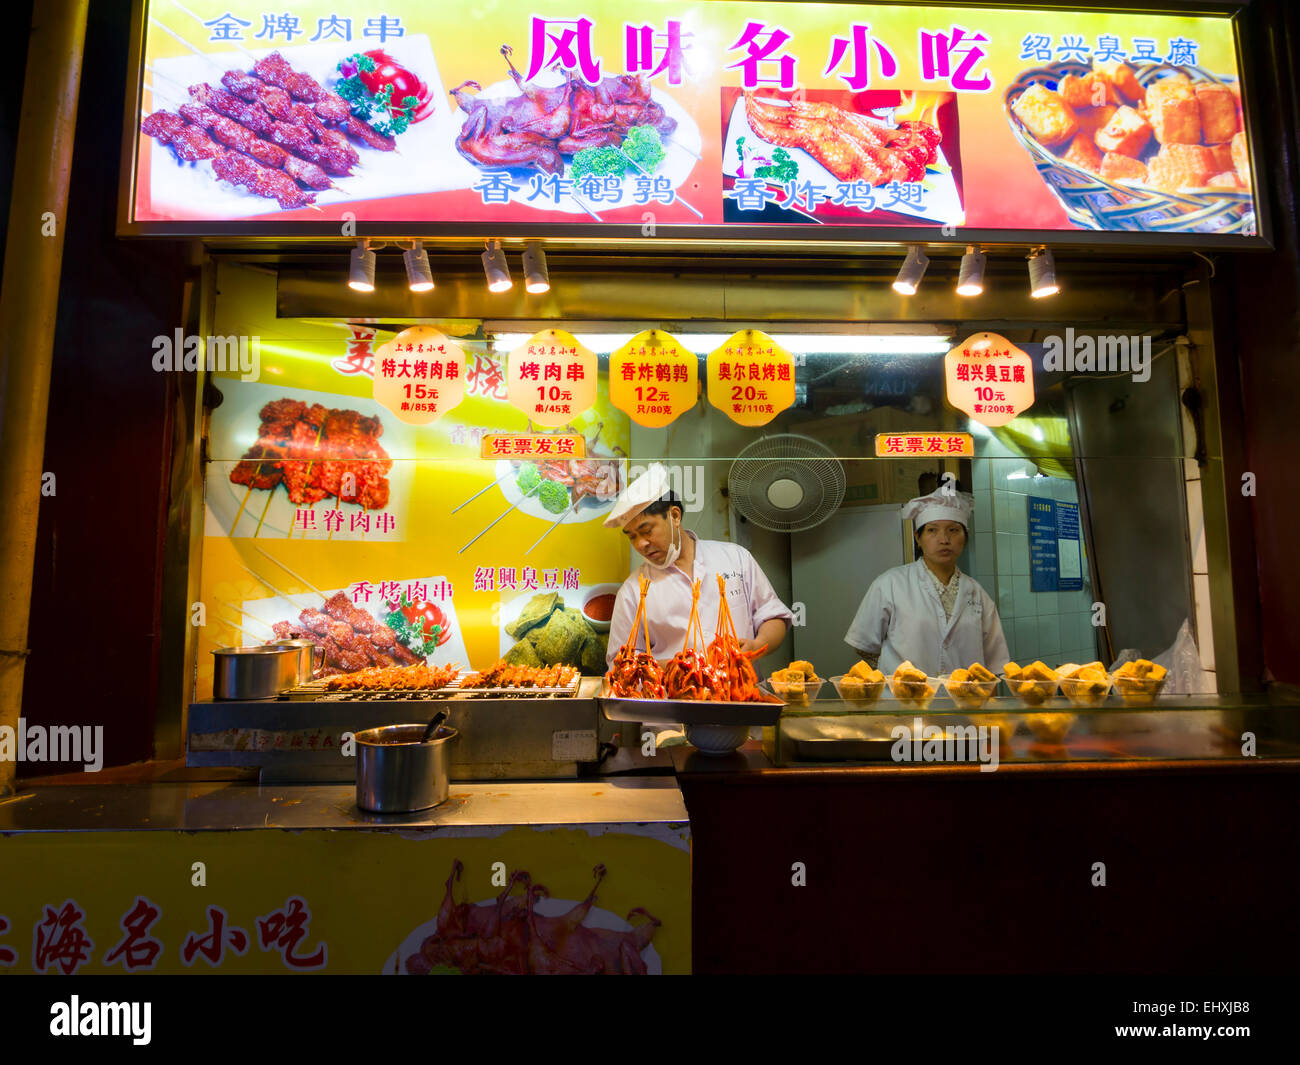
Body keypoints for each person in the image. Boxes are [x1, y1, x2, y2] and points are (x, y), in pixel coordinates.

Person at [604, 464, 793, 668]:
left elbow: (772, 615)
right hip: (676, 697)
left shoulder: (735, 558)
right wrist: (668, 667)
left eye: (647, 530)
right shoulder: (634, 590)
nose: (641, 544)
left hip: (739, 694)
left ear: (674, 516)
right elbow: (620, 662)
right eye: (632, 536)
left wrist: (757, 644)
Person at [844, 490, 1010, 676]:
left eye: (953, 530)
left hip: (965, 701)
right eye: (932, 530)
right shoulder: (889, 584)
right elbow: (864, 645)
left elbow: (993, 665)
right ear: (918, 538)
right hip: (905, 701)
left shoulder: (977, 593)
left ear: (965, 537)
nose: (944, 540)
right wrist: (894, 676)